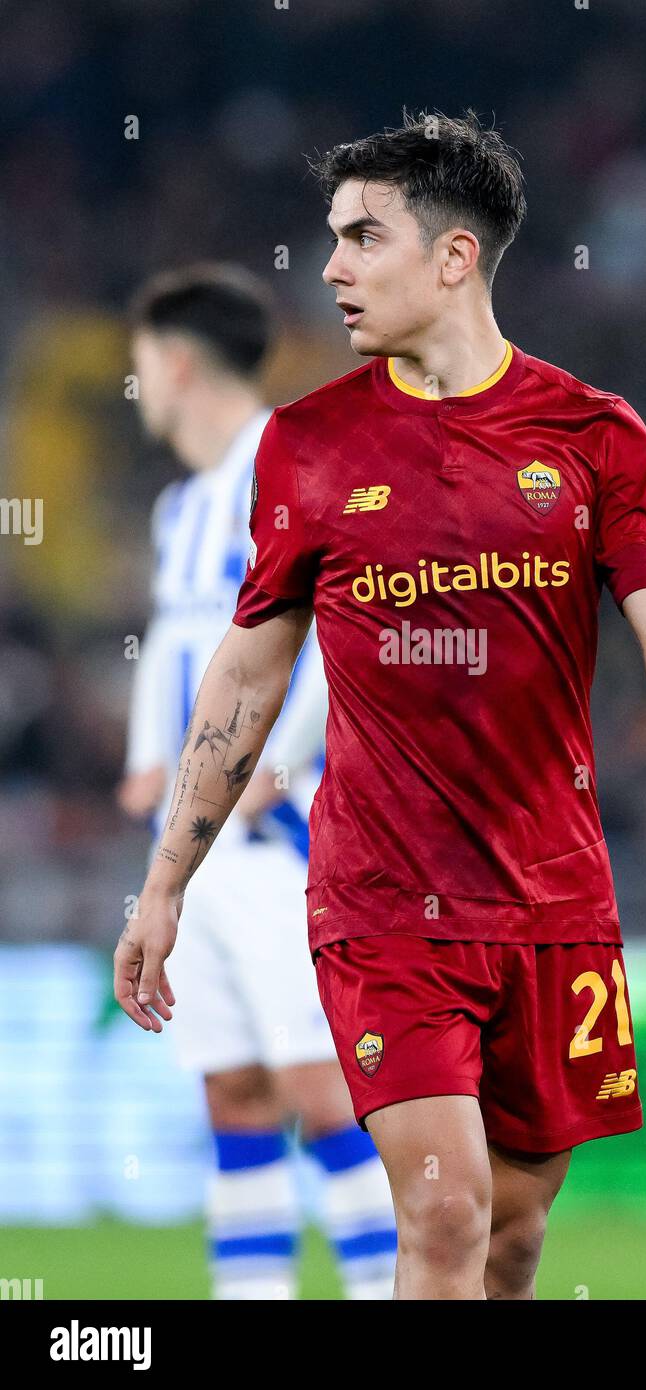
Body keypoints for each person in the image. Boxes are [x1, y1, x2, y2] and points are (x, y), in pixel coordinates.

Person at [114, 115, 646, 1301]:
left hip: (551, 896)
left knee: (510, 1234)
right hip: (380, 898)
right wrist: (164, 881)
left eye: (363, 238)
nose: (334, 268)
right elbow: (248, 674)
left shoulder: (593, 434)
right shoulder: (307, 447)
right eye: (332, 239)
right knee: (445, 1208)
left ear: (454, 256)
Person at [118, 264, 396, 1299]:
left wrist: (282, 757)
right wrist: (151, 756)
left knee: (321, 1090)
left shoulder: (291, 463)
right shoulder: (181, 508)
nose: (137, 385)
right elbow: (182, 642)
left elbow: (334, 618)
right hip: (200, 845)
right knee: (232, 1091)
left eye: (141, 363)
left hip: (286, 834)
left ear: (177, 362)